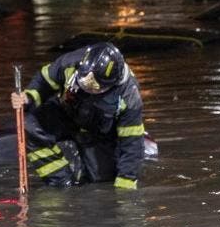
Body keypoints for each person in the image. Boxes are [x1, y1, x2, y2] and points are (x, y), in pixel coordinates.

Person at [10, 41, 145, 188]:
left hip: (99, 133)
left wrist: (124, 191)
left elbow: (132, 144)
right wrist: (27, 97)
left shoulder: (129, 96)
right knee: (29, 124)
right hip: (67, 113)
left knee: (99, 184)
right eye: (84, 82)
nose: (87, 89)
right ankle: (61, 182)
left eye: (93, 87)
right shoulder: (71, 61)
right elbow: (44, 80)